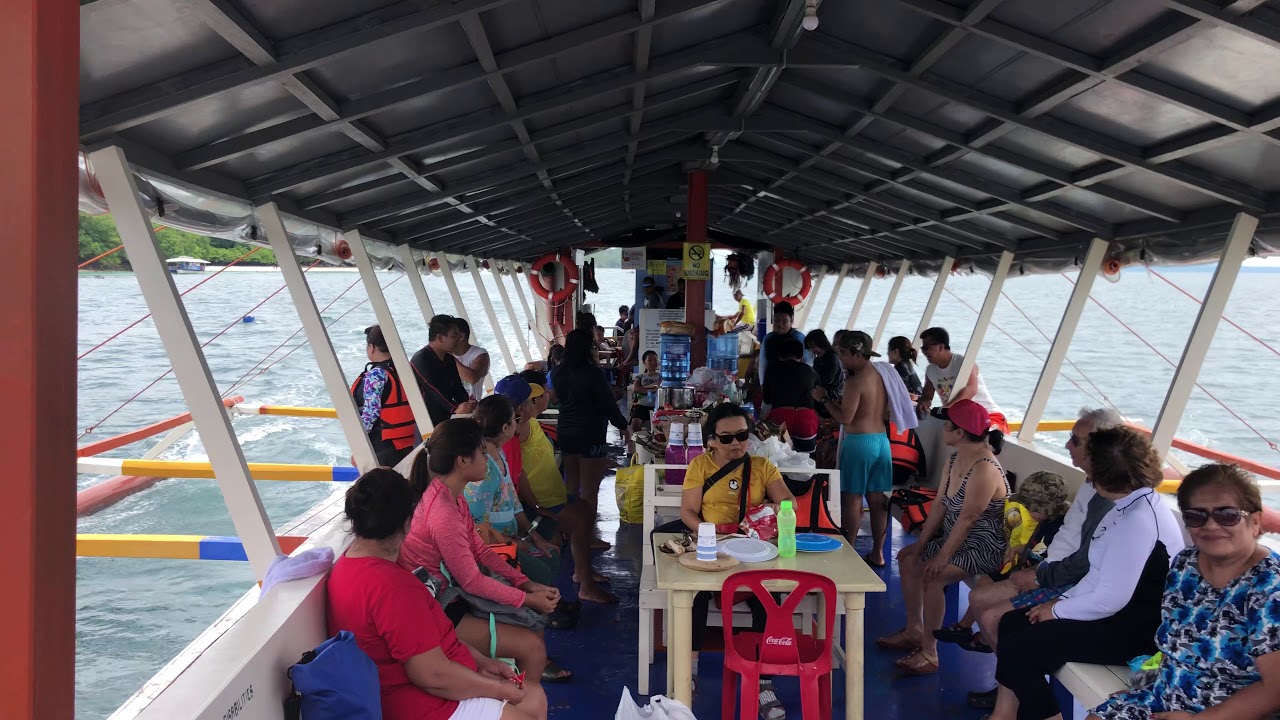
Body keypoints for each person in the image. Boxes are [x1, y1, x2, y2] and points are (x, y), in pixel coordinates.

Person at [990, 426, 1185, 720]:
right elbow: (1098, 575)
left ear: (1102, 472)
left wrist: (1057, 611)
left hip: (1138, 631)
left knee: (1020, 650)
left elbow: (1110, 599)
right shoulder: (1125, 507)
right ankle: (1006, 714)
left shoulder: (1138, 520)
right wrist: (1057, 604)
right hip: (1117, 616)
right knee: (1012, 623)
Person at [327, 467, 547, 720]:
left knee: (534, 697)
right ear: (408, 522)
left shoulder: (349, 564)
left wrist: (481, 662)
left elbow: (428, 639)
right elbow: (431, 675)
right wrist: (497, 689)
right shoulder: (392, 587)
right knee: (528, 707)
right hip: (420, 704)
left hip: (428, 683)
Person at [951, 407, 1124, 710]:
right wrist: (1039, 566)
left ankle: (1015, 695)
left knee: (994, 617)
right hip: (1053, 572)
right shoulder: (1090, 483)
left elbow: (1086, 563)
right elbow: (1069, 537)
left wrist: (1040, 577)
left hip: (1070, 586)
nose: (1068, 445)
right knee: (979, 599)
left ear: (1101, 445)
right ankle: (1012, 687)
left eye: (1076, 440)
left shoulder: (1111, 497)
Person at [1090, 463, 1280, 720]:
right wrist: (1149, 688)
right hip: (1163, 696)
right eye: (1196, 516)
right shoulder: (1185, 564)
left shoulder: (1270, 586)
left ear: (1255, 522)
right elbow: (1178, 648)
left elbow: (1275, 690)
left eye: (1227, 515)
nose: (1211, 525)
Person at [399, 420, 560, 687]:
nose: (488, 460)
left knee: (533, 628)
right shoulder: (443, 513)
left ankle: (518, 704)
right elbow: (471, 580)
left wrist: (526, 583)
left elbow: (480, 550)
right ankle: (522, 708)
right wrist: (528, 599)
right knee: (532, 646)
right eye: (483, 453)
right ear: (462, 460)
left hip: (450, 591)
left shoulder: (453, 496)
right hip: (436, 606)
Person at [679, 402, 797, 720]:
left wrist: (772, 510)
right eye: (727, 438)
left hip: (754, 551)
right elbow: (688, 511)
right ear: (711, 440)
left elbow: (788, 500)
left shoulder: (761, 466)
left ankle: (763, 680)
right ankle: (688, 672)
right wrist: (706, 532)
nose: (736, 444)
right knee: (695, 595)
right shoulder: (700, 467)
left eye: (742, 436)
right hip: (712, 547)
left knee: (769, 597)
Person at [875, 399, 1009, 675]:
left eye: (946, 426)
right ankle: (914, 630)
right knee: (908, 560)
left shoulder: (984, 467)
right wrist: (920, 545)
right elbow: (940, 505)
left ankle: (929, 651)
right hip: (958, 536)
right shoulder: (955, 457)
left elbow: (969, 518)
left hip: (984, 545)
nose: (942, 431)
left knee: (933, 574)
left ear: (959, 433)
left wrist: (941, 556)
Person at [509, 370, 612, 607]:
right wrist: (535, 506)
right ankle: (585, 585)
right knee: (578, 521)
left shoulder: (531, 422)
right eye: (543, 393)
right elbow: (516, 474)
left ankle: (583, 572)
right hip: (541, 500)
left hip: (551, 494)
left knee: (584, 514)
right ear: (528, 403)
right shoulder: (518, 429)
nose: (547, 396)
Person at [935, 471, 1069, 651]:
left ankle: (986, 640)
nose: (1028, 511)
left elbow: (1056, 562)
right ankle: (965, 628)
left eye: (1033, 508)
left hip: (1038, 580)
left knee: (988, 608)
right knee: (986, 579)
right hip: (1024, 565)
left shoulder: (1061, 528)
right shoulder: (1043, 520)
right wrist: (1019, 550)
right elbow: (1035, 547)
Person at [550, 328, 627, 603]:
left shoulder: (559, 372)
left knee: (573, 495)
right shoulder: (592, 373)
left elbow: (560, 400)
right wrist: (624, 425)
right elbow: (606, 405)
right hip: (591, 437)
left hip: (567, 436)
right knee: (589, 498)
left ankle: (579, 566)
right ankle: (584, 569)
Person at [812, 331, 893, 568]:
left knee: (852, 499)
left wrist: (824, 398)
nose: (841, 360)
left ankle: (849, 551)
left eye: (844, 355)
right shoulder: (882, 374)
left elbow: (845, 418)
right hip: (881, 441)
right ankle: (878, 553)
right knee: (878, 502)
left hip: (859, 444)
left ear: (857, 354)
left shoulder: (855, 381)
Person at [915, 326, 1008, 433]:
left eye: (926, 348)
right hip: (963, 421)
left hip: (988, 415)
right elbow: (927, 396)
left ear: (941, 347)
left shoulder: (963, 363)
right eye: (922, 349)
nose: (924, 352)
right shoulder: (930, 370)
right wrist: (924, 403)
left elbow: (970, 389)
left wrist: (946, 409)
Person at [351, 325, 417, 468]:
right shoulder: (406, 368)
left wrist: (359, 446)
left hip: (383, 444)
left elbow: (370, 413)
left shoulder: (376, 374)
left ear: (372, 347)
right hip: (408, 440)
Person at [412, 315, 476, 425]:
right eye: (454, 336)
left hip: (445, 416)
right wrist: (455, 408)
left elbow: (457, 387)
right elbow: (432, 387)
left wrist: (468, 404)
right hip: (426, 421)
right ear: (440, 338)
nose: (458, 339)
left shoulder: (449, 359)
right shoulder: (421, 359)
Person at [763, 337, 820, 452]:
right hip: (806, 418)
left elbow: (767, 399)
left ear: (780, 356)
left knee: (776, 458)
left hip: (780, 417)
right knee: (806, 460)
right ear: (801, 357)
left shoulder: (772, 369)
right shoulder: (811, 371)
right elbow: (817, 398)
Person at [759, 302, 810, 383]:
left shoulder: (800, 338)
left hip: (795, 383)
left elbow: (808, 364)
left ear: (791, 320)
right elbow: (763, 365)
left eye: (784, 321)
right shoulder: (768, 339)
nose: (780, 325)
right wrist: (762, 385)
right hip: (773, 383)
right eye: (777, 320)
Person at [805, 329, 843, 418]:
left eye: (814, 347)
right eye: (811, 348)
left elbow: (827, 380)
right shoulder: (819, 358)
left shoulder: (832, 357)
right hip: (820, 394)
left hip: (831, 397)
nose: (813, 350)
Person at [453, 318, 491, 403]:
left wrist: (450, 357)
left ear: (461, 337)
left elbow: (472, 378)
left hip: (471, 408)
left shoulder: (480, 354)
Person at [630, 350, 660, 433]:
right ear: (644, 362)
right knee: (635, 422)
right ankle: (638, 442)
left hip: (658, 406)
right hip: (642, 405)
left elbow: (659, 384)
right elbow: (636, 389)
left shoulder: (661, 376)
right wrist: (653, 390)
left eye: (655, 360)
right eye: (650, 360)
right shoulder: (640, 376)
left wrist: (644, 388)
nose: (653, 362)